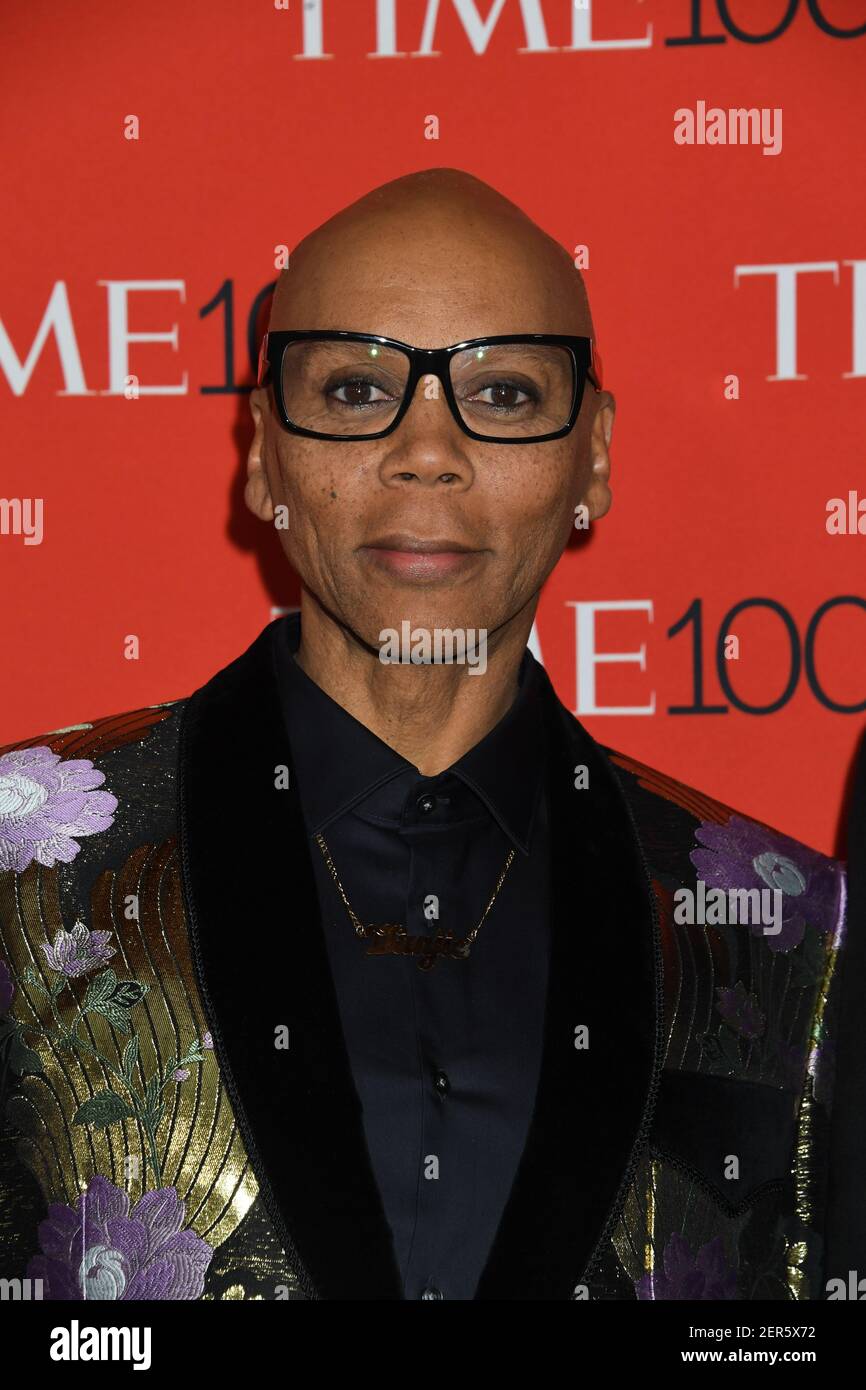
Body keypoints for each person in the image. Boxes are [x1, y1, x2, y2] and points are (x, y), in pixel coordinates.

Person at [0, 169, 852, 1302]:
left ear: (591, 453)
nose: (426, 451)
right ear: (264, 452)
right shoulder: (22, 871)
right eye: (356, 389)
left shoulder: (786, 924)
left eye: (500, 394)